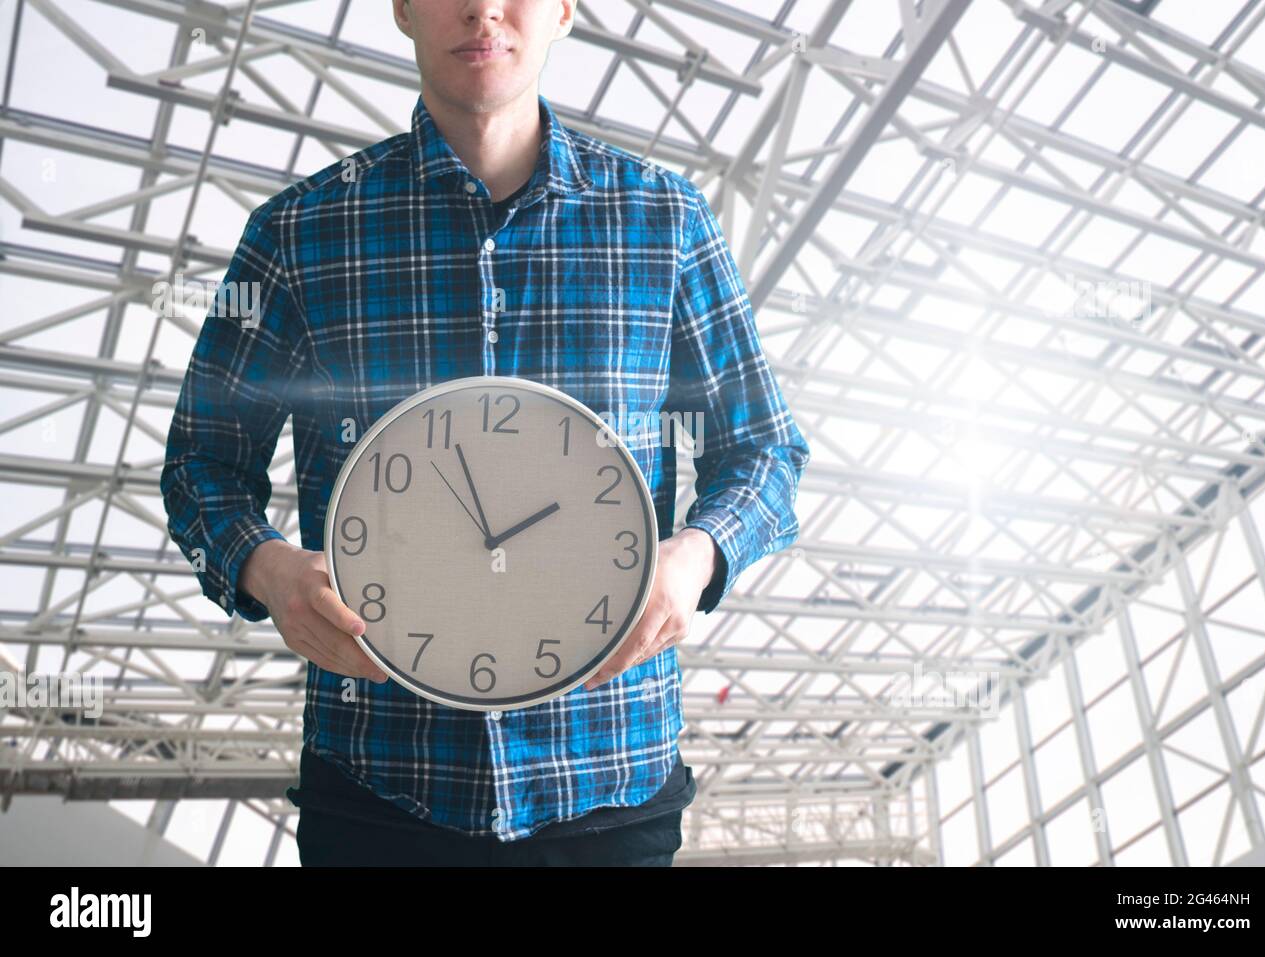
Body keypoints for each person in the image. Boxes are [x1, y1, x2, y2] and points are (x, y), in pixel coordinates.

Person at [161, 0, 809, 866]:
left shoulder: (667, 224)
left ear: (567, 10)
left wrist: (695, 557)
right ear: (399, 7)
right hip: (378, 787)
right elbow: (201, 462)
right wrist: (266, 568)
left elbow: (765, 449)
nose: (482, 9)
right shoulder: (298, 234)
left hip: (609, 784)